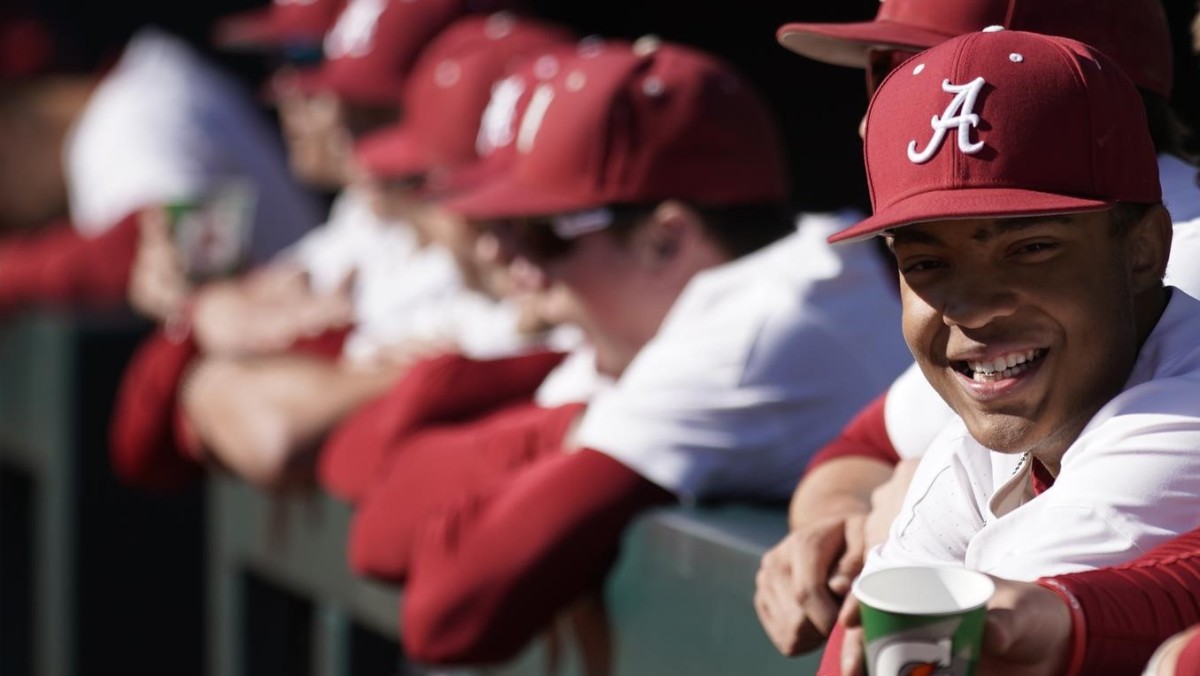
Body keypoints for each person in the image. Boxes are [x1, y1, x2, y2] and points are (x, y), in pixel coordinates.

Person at [342, 38, 912, 665]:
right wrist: (564, 422)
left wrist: (557, 428)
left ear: (665, 240)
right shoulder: (669, 305)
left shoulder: (761, 329)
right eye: (498, 229)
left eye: (539, 232)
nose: (503, 257)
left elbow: (449, 612)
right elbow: (375, 514)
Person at [755, 0, 1200, 658]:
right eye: (928, 262)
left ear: (1143, 250)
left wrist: (1073, 616)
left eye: (1031, 249)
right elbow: (867, 443)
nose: (976, 308)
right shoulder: (1004, 410)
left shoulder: (1169, 380)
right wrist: (853, 522)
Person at [0, 15, 320, 314]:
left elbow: (195, 232)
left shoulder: (120, 123)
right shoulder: (150, 73)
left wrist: (11, 273)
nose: (13, 218)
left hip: (318, 323)